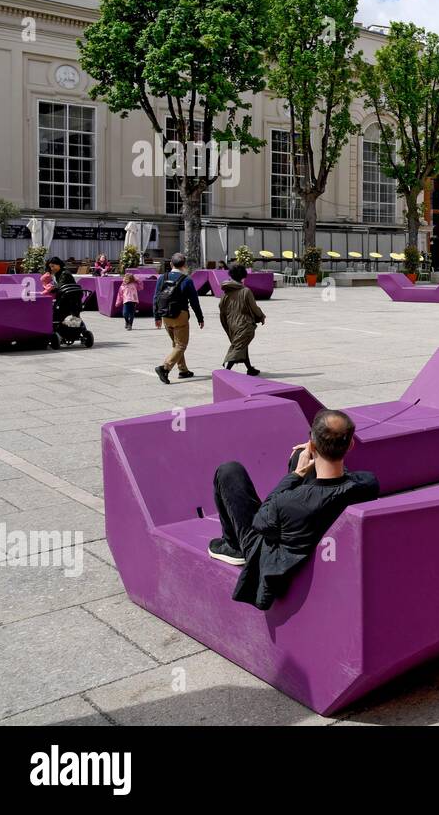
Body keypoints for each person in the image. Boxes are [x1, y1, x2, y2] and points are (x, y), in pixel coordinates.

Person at [209, 409, 380, 610]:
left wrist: (296, 475)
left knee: (229, 471)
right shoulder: (367, 483)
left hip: (274, 551)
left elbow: (261, 521)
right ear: (350, 445)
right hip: (312, 525)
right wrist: (312, 453)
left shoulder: (289, 503)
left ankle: (232, 545)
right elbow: (341, 476)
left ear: (313, 444)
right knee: (300, 455)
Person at [152, 252, 204, 384]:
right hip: (180, 315)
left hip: (165, 316)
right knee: (181, 345)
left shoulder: (162, 278)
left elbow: (156, 298)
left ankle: (183, 370)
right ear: (184, 265)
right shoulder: (187, 280)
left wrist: (156, 317)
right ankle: (165, 368)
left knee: (176, 344)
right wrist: (200, 317)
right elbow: (194, 301)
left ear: (170, 264)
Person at [219, 264, 267, 375]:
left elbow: (221, 308)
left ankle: (250, 368)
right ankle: (226, 372)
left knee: (241, 344)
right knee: (238, 347)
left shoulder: (226, 292)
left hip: (231, 323)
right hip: (244, 324)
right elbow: (254, 308)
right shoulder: (246, 291)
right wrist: (261, 316)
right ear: (243, 276)